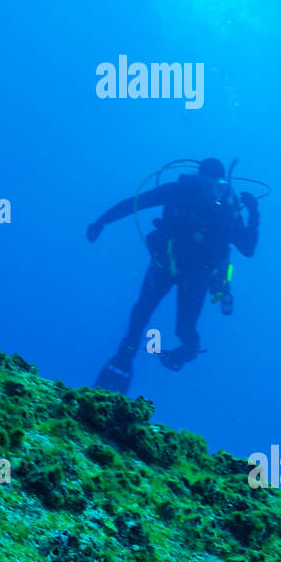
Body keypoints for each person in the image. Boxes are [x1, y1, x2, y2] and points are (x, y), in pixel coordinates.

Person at [87, 158, 259, 394]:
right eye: (206, 183)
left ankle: (188, 350)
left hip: (198, 276)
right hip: (166, 264)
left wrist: (253, 212)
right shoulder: (178, 192)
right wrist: (102, 221)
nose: (212, 190)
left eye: (217, 184)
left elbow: (247, 249)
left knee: (185, 331)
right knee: (142, 311)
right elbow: (136, 203)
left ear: (223, 184)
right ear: (197, 180)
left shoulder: (228, 210)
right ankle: (124, 357)